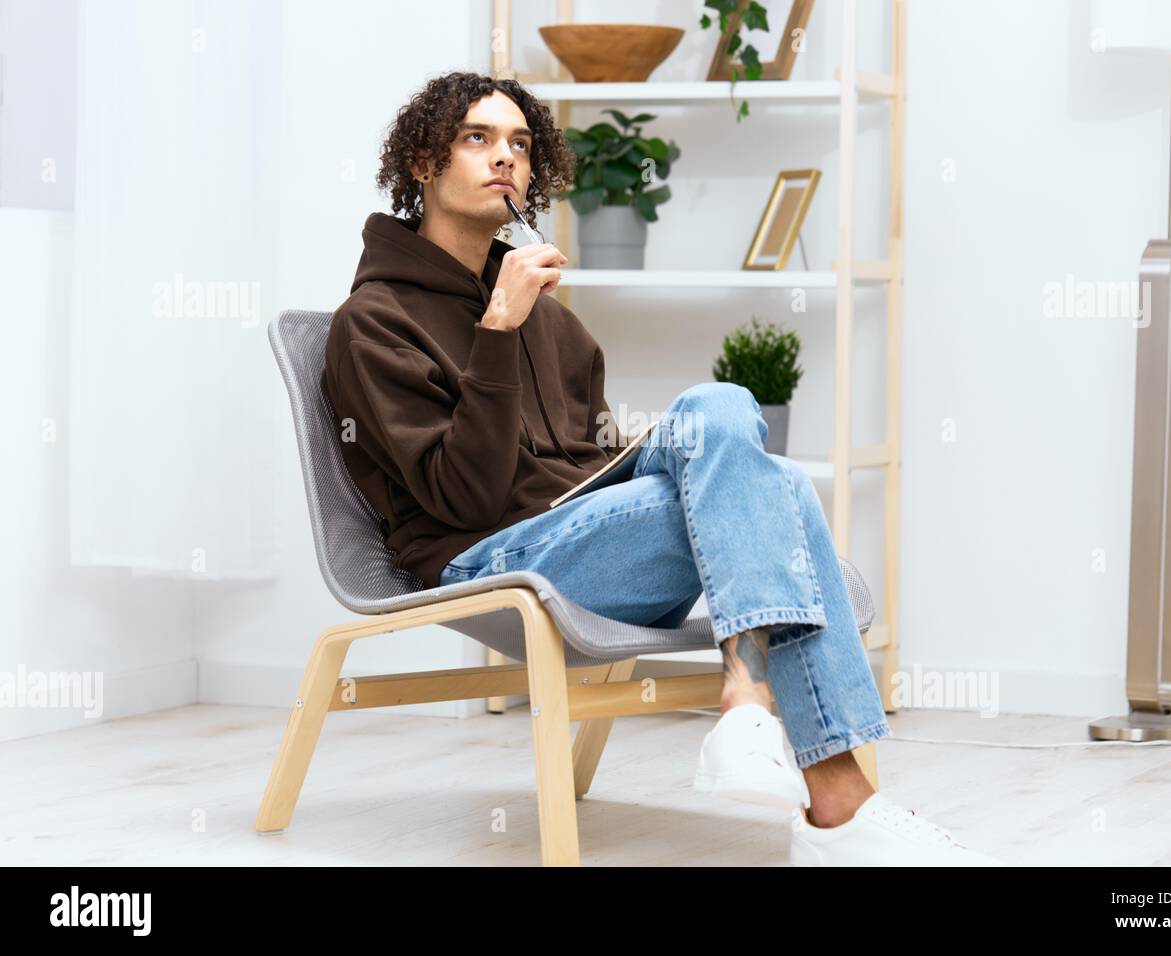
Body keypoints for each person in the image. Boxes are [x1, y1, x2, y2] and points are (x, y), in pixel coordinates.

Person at [322, 70, 1002, 867]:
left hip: (590, 539)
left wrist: (526, 324)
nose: (504, 157)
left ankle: (749, 707)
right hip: (491, 558)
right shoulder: (372, 322)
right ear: (422, 165)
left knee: (722, 407)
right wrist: (498, 329)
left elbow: (589, 459)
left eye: (520, 143)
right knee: (777, 488)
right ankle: (838, 805)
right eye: (478, 137)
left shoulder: (555, 324)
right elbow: (466, 497)